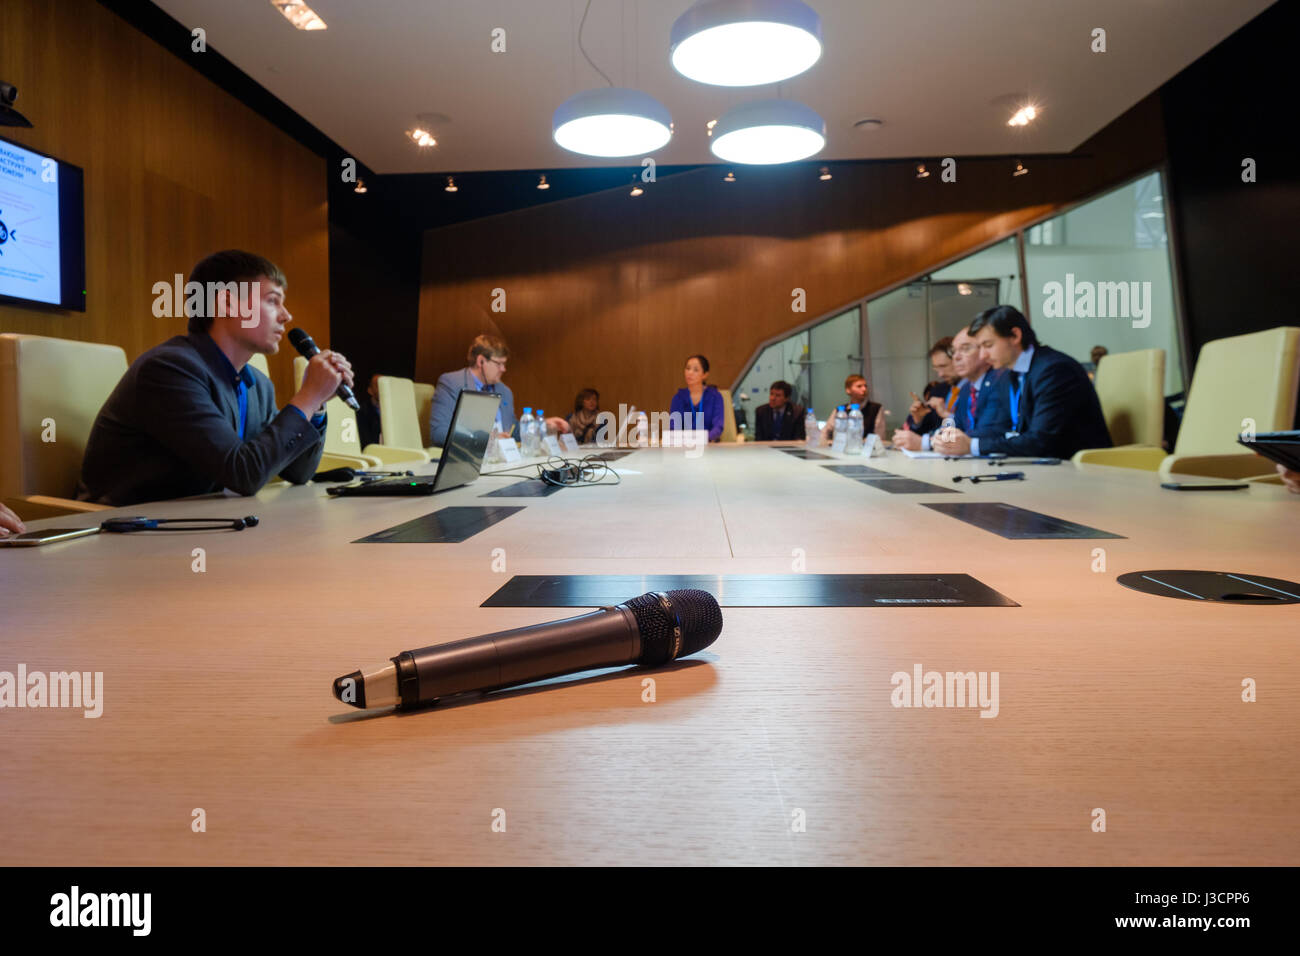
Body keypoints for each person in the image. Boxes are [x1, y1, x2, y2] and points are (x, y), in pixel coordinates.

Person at [77, 250, 349, 506]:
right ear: (228, 303)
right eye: (272, 301)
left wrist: (317, 405)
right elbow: (243, 475)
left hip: (198, 523)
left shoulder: (256, 383)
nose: (286, 315)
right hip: (122, 533)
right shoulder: (169, 370)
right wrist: (308, 396)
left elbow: (298, 472)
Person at [931, 305, 1112, 458]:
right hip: (1039, 465)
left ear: (1015, 336)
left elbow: (1041, 440)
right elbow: (1000, 429)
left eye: (988, 345)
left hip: (1075, 468)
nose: (983, 355)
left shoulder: (1054, 370)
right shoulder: (1010, 374)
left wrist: (972, 446)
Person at [429, 334, 568, 447]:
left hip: (503, 460)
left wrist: (542, 425)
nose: (503, 369)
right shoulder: (452, 383)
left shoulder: (504, 391)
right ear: (481, 361)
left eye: (504, 364)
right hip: (468, 460)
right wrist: (485, 439)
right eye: (499, 364)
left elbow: (514, 431)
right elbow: (439, 432)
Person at [893, 326, 1011, 452]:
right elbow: (956, 427)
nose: (956, 357)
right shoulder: (967, 389)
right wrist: (921, 428)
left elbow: (986, 431)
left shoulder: (1000, 381)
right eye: (954, 351)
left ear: (984, 351)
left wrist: (927, 442)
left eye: (965, 349)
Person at [903, 338, 960, 435]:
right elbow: (920, 435)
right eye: (936, 368)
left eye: (943, 366)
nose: (940, 374)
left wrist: (947, 415)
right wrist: (918, 419)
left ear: (959, 360)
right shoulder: (937, 391)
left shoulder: (974, 391)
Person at [669, 354, 725, 441]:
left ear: (705, 375)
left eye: (695, 370)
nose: (690, 372)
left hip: (710, 445)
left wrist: (703, 439)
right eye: (688, 368)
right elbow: (674, 427)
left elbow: (718, 426)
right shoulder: (678, 398)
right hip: (684, 447)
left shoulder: (715, 396)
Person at [820, 374, 887, 443]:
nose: (864, 389)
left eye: (865, 386)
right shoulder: (840, 410)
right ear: (848, 390)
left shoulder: (876, 408)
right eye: (859, 386)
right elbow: (825, 432)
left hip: (866, 451)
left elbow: (880, 437)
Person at [356, 372, 383, 447]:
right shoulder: (361, 412)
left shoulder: (395, 411)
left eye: (384, 385)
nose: (382, 388)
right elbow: (366, 443)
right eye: (378, 385)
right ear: (370, 390)